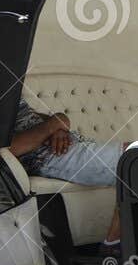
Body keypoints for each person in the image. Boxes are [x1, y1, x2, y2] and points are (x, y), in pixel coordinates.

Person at [8, 99, 124, 254]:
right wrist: (51, 127)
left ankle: (117, 243)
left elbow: (58, 119)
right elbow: (11, 148)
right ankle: (113, 245)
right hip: (52, 157)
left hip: (79, 145)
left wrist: (59, 129)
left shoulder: (9, 92)